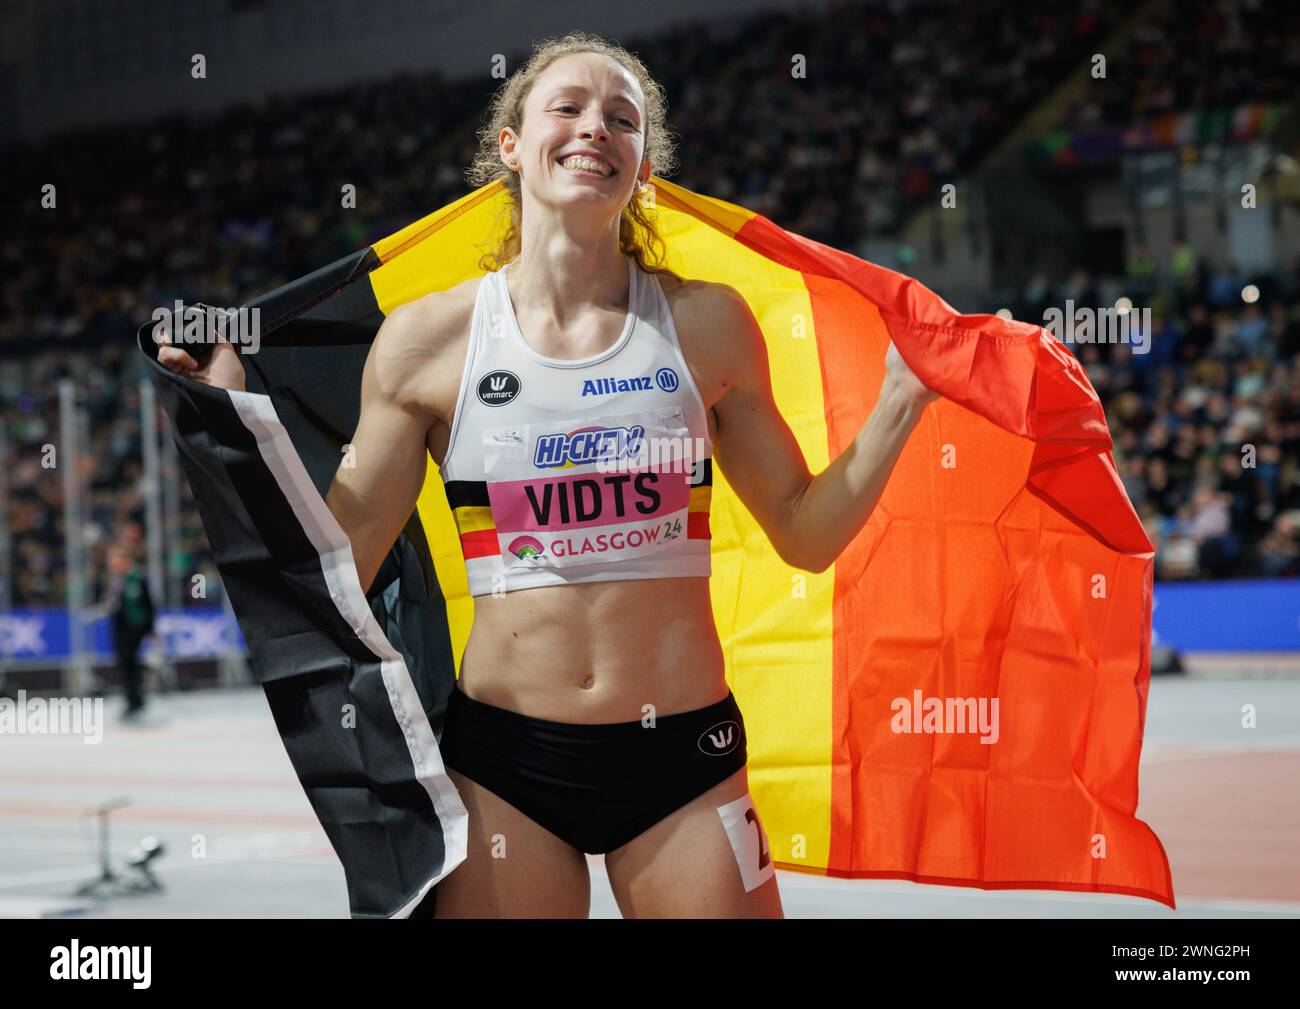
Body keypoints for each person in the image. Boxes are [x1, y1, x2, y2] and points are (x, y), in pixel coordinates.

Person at [157, 33, 940, 918]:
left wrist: (901, 403)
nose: (594, 128)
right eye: (567, 108)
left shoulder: (707, 327)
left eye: (623, 119)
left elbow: (803, 531)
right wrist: (234, 418)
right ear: (511, 145)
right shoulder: (428, 341)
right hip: (505, 769)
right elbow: (343, 566)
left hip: (684, 760)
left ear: (644, 166)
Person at [104, 544, 155, 719]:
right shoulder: (117, 580)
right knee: (126, 663)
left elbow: (148, 604)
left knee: (129, 662)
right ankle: (133, 699)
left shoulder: (136, 577)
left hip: (134, 627)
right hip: (120, 627)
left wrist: (150, 628)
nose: (112, 563)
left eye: (116, 559)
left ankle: (134, 700)